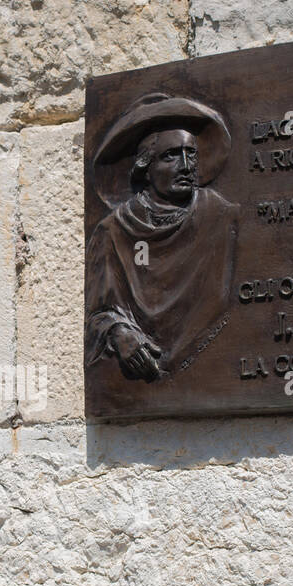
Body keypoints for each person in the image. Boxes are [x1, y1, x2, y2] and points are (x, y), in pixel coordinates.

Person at [86, 93, 239, 382]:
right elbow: (96, 316)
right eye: (171, 155)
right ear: (146, 166)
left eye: (190, 154)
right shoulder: (113, 231)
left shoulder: (218, 214)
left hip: (214, 371)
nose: (185, 166)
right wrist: (120, 333)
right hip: (145, 372)